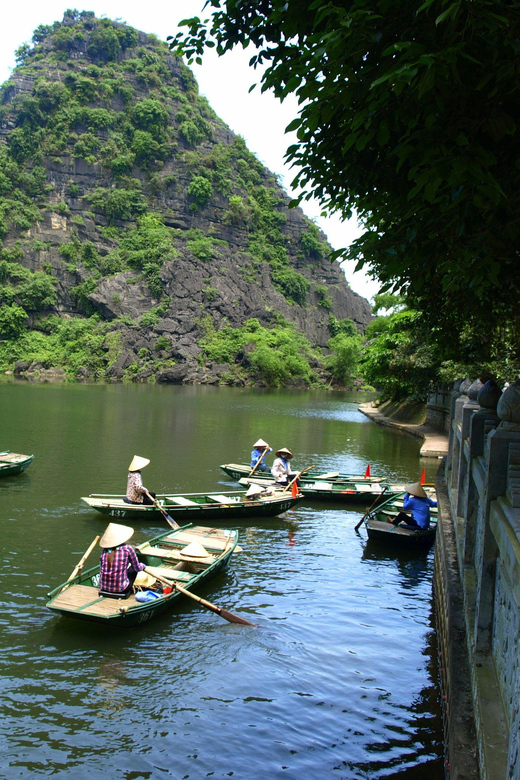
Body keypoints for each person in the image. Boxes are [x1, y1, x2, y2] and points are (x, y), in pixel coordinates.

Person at [98, 522, 146, 598]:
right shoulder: (127, 548)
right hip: (121, 589)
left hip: (103, 587)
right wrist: (143, 566)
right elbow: (137, 568)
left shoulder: (105, 550)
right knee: (132, 569)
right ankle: (127, 590)